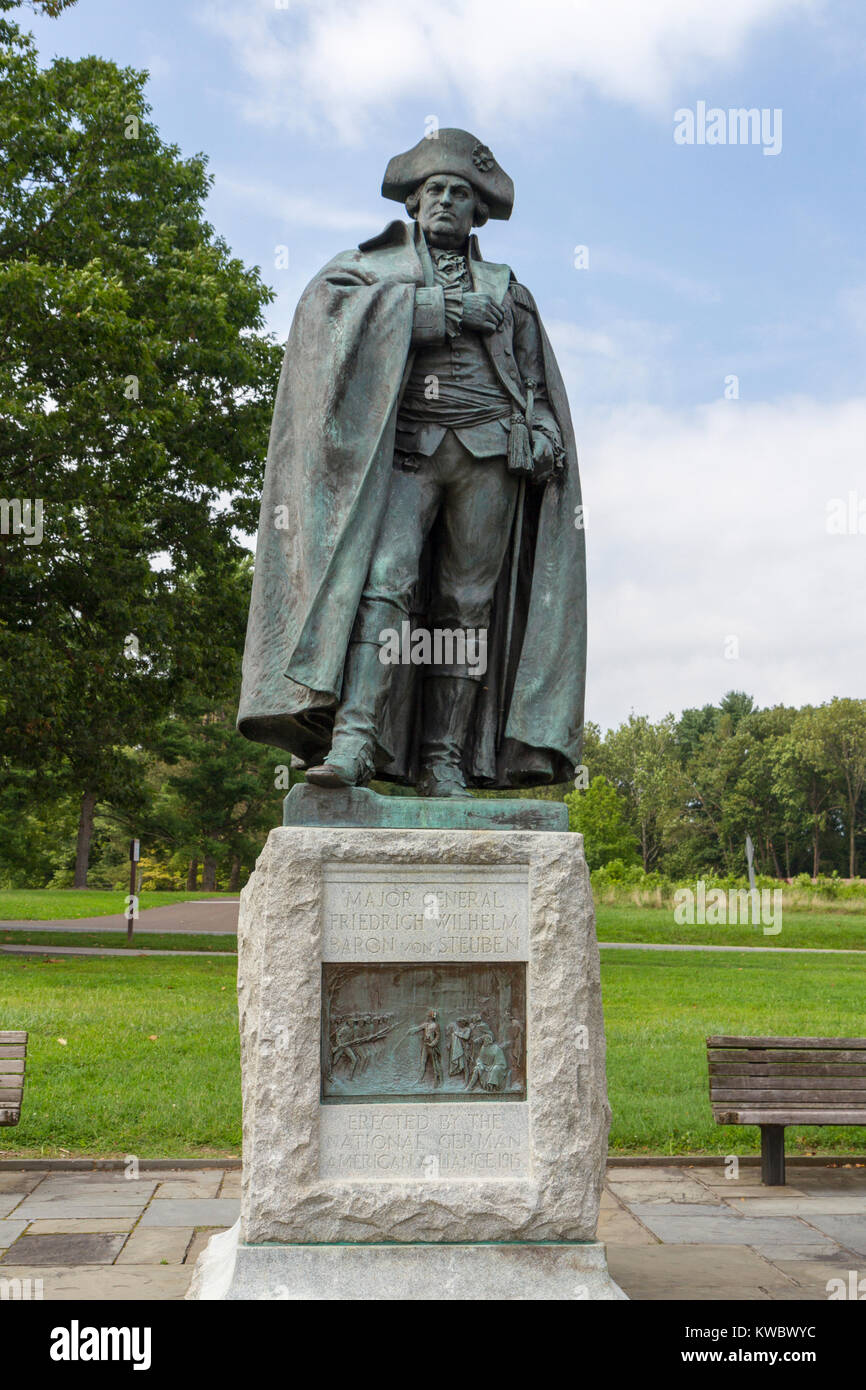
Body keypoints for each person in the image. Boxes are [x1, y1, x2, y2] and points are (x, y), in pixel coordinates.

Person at [238, 129, 586, 797]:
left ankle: (444, 759)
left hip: (488, 456)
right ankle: (355, 738)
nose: (448, 202)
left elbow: (537, 389)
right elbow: (323, 320)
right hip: (404, 453)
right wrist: (433, 310)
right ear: (413, 203)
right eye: (436, 192)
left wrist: (541, 433)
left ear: (477, 211)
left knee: (466, 607)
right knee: (385, 587)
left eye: (461, 193)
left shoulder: (509, 290)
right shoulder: (371, 271)